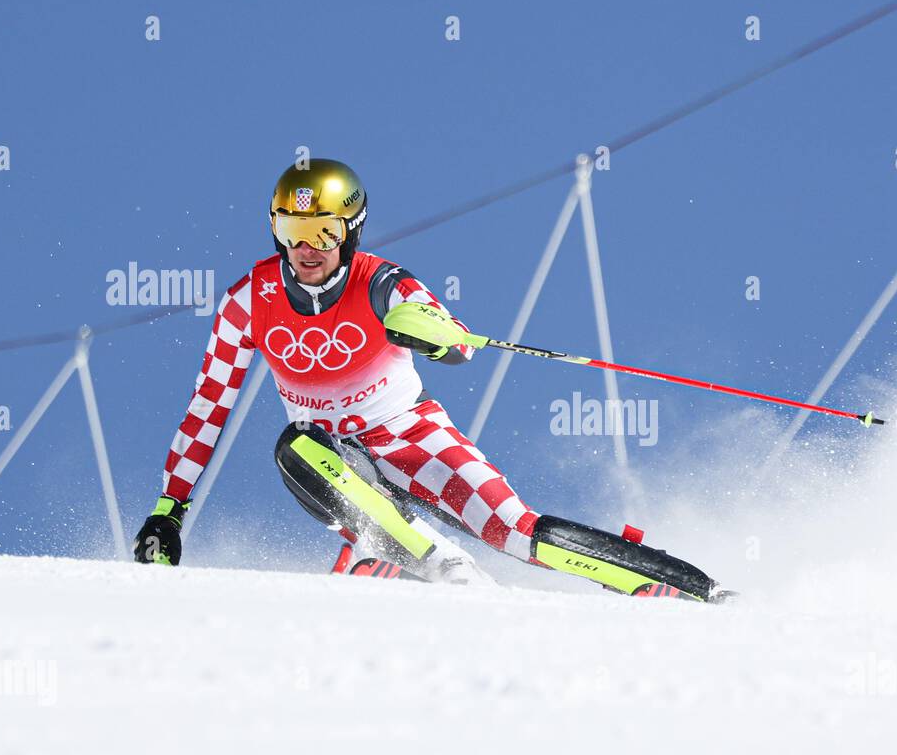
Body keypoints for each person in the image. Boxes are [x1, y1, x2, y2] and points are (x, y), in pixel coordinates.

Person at [132, 159, 727, 601]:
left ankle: (688, 589)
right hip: (335, 461)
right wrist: (169, 510)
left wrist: (434, 334)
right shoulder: (249, 301)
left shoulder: (381, 282)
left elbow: (453, 340)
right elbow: (209, 404)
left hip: (413, 435)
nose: (306, 249)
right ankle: (435, 563)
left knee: (518, 533)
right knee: (298, 448)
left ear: (352, 230)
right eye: (291, 231)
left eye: (324, 232)